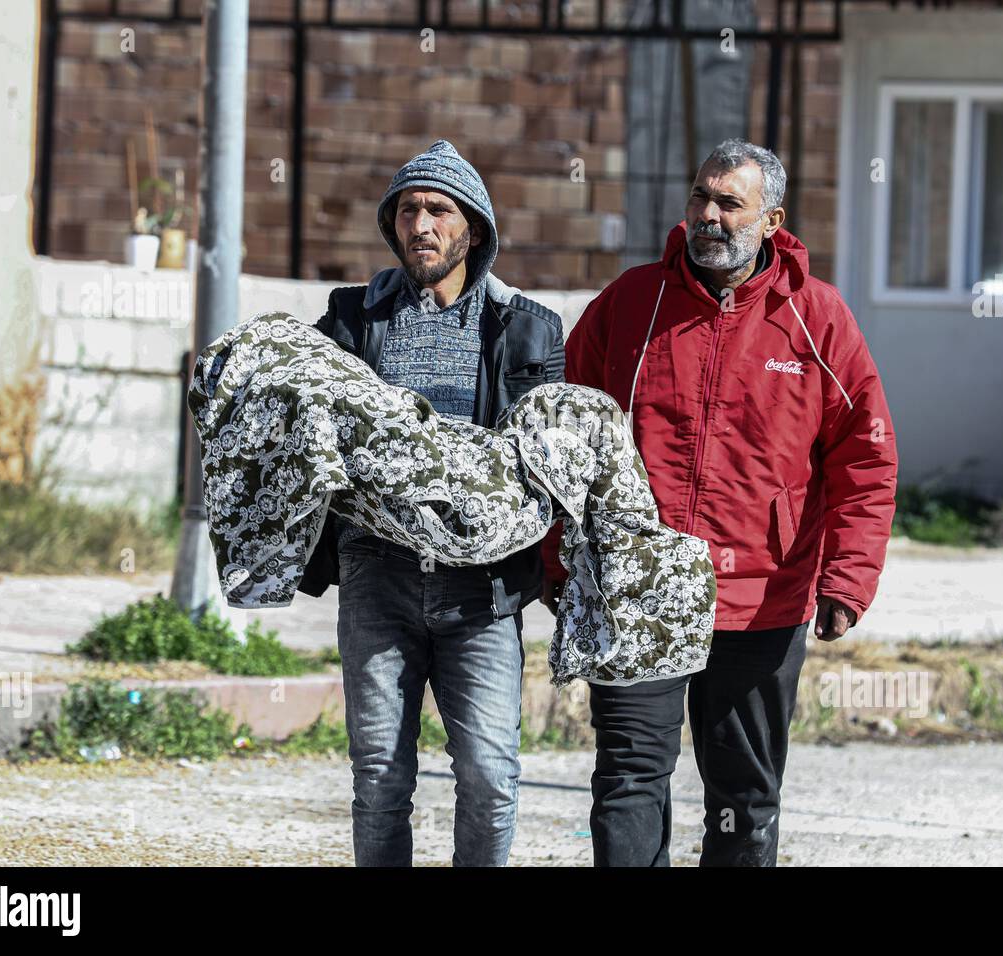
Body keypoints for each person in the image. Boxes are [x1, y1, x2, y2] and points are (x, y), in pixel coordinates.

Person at [541, 138, 898, 866]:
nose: (708, 215)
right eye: (700, 198)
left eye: (729, 203)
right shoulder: (631, 305)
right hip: (637, 590)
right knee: (628, 782)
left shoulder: (817, 320)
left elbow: (868, 455)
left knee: (743, 799)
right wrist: (557, 561)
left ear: (771, 220)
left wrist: (847, 579)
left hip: (761, 595)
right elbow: (562, 435)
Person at [298, 139, 564, 866]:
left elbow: (546, 461)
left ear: (471, 228)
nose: (421, 224)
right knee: (381, 775)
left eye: (438, 210)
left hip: (482, 587)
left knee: (488, 774)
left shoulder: (527, 328)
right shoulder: (351, 321)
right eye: (408, 210)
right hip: (377, 573)